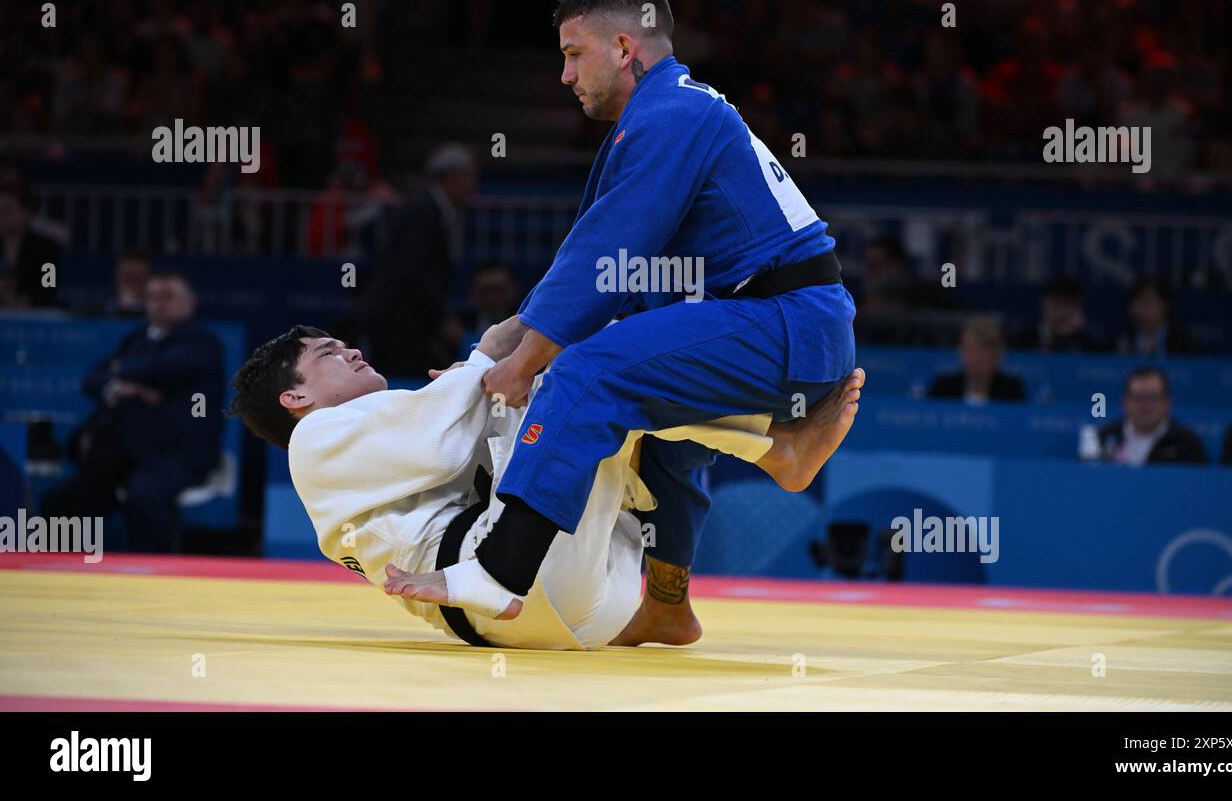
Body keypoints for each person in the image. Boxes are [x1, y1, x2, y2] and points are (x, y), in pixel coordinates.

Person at [399, 0, 860, 627]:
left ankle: (501, 569)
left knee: (591, 371)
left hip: (784, 322)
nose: (564, 76)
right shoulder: (666, 114)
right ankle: (670, 603)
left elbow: (600, 260)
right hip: (771, 321)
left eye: (572, 53)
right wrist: (485, 363)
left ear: (623, 47)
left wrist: (525, 365)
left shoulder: (674, 113)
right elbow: (590, 272)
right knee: (648, 422)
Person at [228, 321, 861, 650]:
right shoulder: (315, 441)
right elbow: (452, 430)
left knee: (626, 411)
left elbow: (474, 440)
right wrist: (501, 352)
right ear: (295, 396)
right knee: (588, 374)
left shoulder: (359, 447)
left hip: (554, 607)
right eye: (329, 354)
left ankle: (669, 605)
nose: (351, 351)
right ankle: (775, 448)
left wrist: (498, 382)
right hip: (514, 579)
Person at [43, 270, 225, 551]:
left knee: (144, 496)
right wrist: (122, 388)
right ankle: (64, 575)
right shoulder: (135, 340)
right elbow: (92, 379)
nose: (158, 304)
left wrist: (123, 375)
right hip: (125, 455)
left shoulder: (202, 342)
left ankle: (152, 578)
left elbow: (164, 369)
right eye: (152, 297)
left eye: (168, 296)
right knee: (62, 501)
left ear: (190, 301)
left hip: (177, 457)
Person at [356, 142, 475, 376]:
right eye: (470, 178)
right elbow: (415, 271)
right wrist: (440, 319)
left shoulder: (430, 207)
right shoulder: (424, 210)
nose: (474, 186)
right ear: (453, 177)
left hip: (407, 320)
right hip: (399, 322)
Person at [1097, 367, 1208, 466]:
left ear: (1167, 403)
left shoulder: (1188, 444)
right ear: (1125, 402)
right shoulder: (1103, 438)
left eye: (1153, 398)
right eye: (1139, 397)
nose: (1146, 405)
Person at [928, 316, 1027, 403]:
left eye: (982, 351)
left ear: (996, 355)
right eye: (970, 350)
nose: (975, 358)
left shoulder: (1012, 391)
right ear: (960, 351)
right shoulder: (942, 388)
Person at [0, 181, 64, 309]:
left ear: (26, 213)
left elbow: (49, 287)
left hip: (32, 317)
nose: (1, 217)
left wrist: (24, 300)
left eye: (7, 211)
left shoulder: (47, 248)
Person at [1011, 275, 1109, 353]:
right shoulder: (1024, 339)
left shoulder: (1091, 343)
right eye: (1058, 303)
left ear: (1079, 306)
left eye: (1070, 304)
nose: (1064, 310)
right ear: (1044, 303)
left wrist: (1076, 335)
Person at [1115, 276, 1199, 356]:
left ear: (1165, 306)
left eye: (1148, 302)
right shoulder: (1117, 341)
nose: (1140, 308)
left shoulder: (1185, 343)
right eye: (1136, 302)